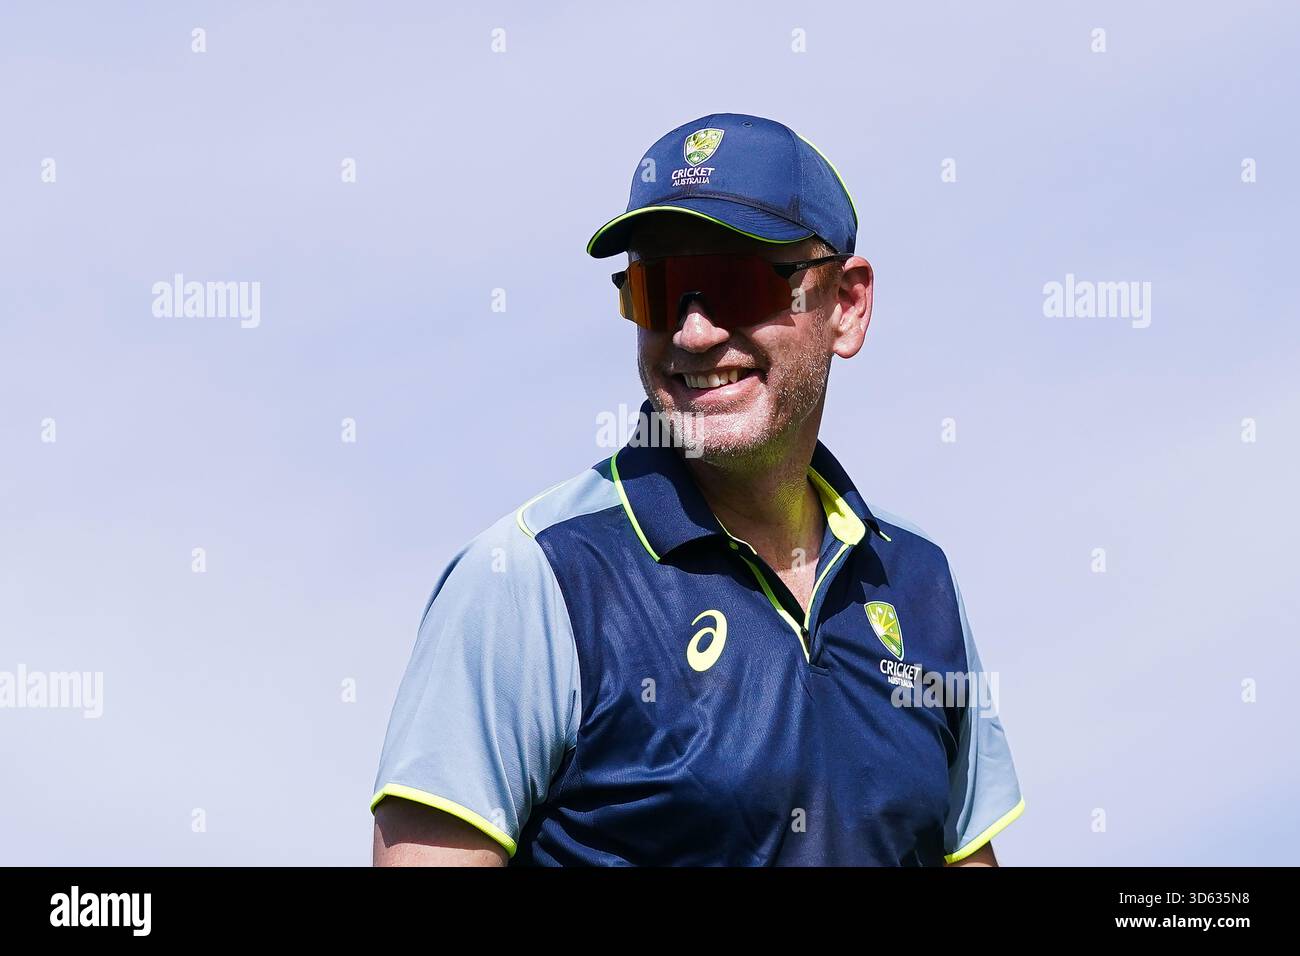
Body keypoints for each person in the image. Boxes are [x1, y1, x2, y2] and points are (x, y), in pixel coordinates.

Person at [371, 112, 1024, 866]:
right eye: (661, 290)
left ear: (846, 305)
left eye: (737, 283)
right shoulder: (531, 577)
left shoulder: (919, 583)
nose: (693, 333)